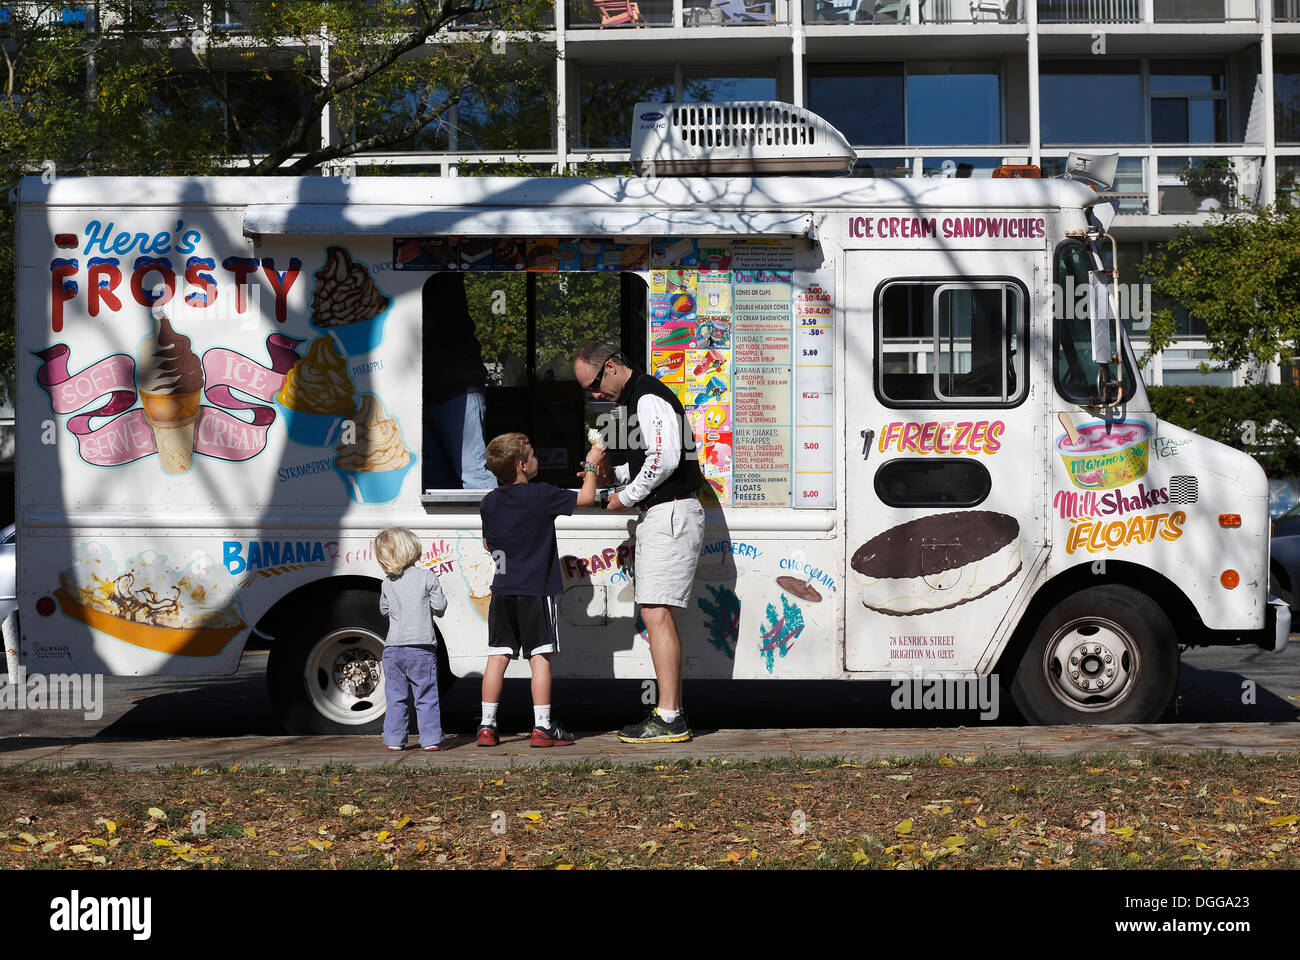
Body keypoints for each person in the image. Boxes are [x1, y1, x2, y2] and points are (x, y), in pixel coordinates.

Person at [571, 342, 705, 743]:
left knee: (655, 613)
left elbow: (664, 459)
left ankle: (669, 716)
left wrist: (625, 497)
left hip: (670, 512)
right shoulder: (625, 404)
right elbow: (624, 460)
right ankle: (670, 711)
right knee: (655, 612)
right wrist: (602, 467)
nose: (593, 395)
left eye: (594, 385)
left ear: (610, 367)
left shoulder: (647, 395)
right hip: (660, 513)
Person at [477, 431, 604, 747]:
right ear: (522, 465)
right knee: (540, 658)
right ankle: (543, 727)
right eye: (533, 455)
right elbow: (587, 498)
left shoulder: (489, 502)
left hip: (502, 590)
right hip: (536, 592)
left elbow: (487, 543)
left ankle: (486, 726)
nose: (537, 460)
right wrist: (592, 464)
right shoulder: (542, 495)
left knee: (497, 658)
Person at [375, 526, 448, 751]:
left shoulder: (387, 582)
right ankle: (431, 740)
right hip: (420, 648)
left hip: (392, 649)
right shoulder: (426, 576)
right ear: (412, 550)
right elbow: (440, 607)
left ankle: (395, 740)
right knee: (425, 695)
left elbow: (384, 610)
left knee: (396, 696)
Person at [422, 272, 497, 489]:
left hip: (455, 387)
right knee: (437, 478)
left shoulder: (441, 282)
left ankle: (498, 521)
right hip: (435, 388)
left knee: (472, 473)